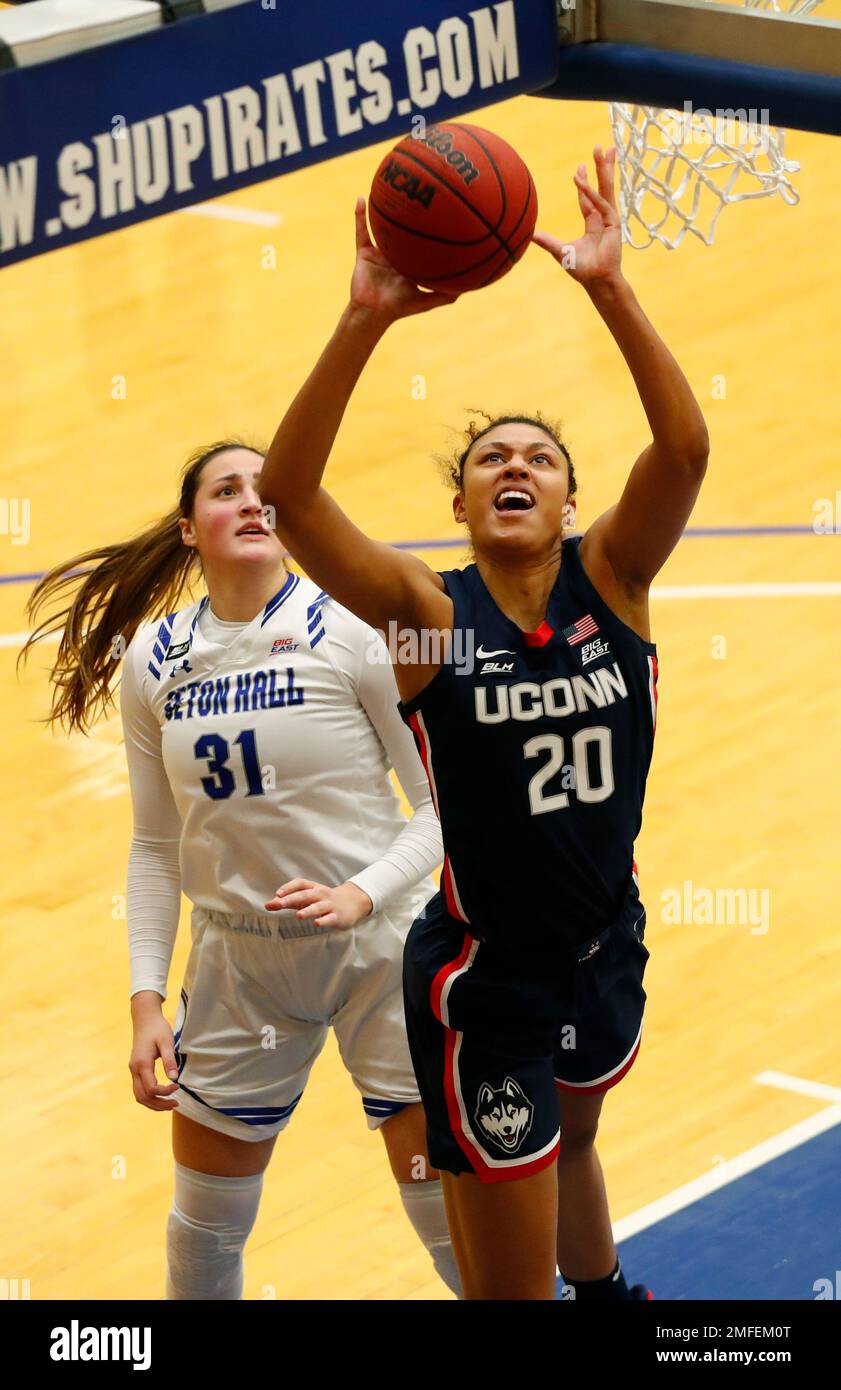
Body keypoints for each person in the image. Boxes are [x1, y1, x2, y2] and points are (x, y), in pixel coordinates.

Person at [255, 145, 709, 1300]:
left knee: (579, 1143)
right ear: (459, 506)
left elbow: (684, 450)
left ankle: (611, 1295)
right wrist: (364, 319)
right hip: (486, 983)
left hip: (605, 944)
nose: (516, 465)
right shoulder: (422, 617)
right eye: (490, 460)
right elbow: (294, 499)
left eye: (541, 459)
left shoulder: (613, 579)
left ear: (568, 501)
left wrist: (610, 285)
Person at [20, 438, 462, 1300]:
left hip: (381, 952)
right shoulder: (153, 660)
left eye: (267, 491)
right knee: (203, 1232)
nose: (254, 504)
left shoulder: (353, 631)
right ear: (190, 529)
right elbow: (154, 844)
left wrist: (358, 891)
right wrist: (146, 999)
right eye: (229, 491)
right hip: (238, 967)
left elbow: (443, 812)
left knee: (445, 1222)